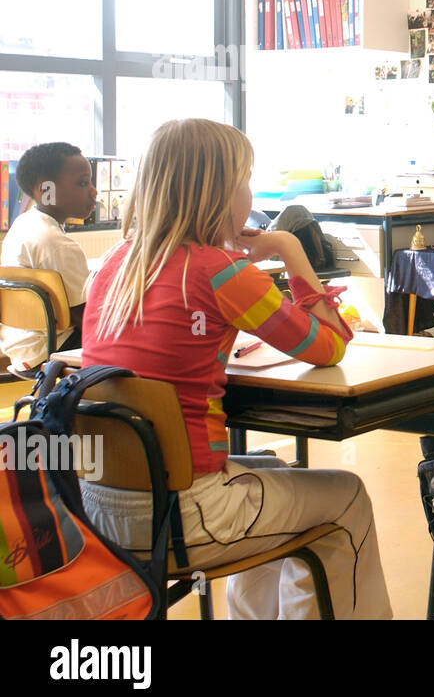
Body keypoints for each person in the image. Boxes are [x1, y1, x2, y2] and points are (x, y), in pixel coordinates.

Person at [79, 119, 392, 619]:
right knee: (346, 498)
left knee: (267, 469)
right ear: (221, 193)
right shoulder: (222, 271)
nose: (250, 191)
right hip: (183, 515)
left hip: (102, 506)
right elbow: (329, 345)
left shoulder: (116, 265)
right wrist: (290, 250)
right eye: (246, 179)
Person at [0, 142, 95, 376]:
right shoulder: (56, 243)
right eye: (83, 183)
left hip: (23, 348)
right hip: (53, 351)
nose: (93, 191)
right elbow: (85, 317)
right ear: (47, 191)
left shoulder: (24, 223)